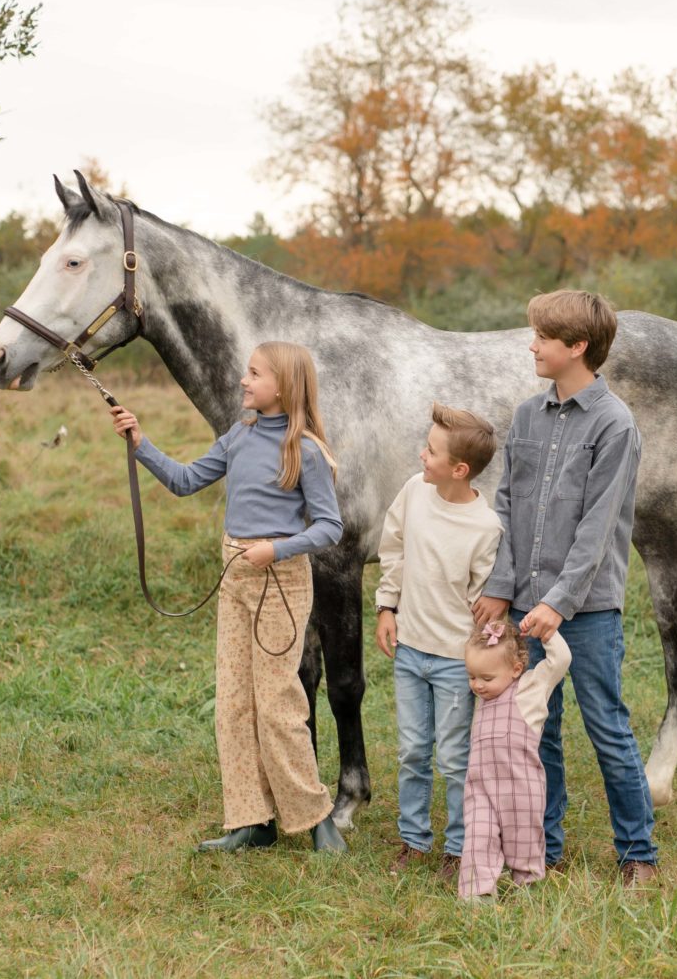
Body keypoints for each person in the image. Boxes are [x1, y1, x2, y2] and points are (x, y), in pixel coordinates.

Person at [109, 340, 346, 853]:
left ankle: (316, 817)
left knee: (278, 705)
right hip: (235, 575)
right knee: (234, 703)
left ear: (283, 386)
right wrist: (140, 443)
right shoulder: (239, 436)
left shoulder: (305, 450)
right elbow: (185, 481)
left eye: (255, 374)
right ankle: (251, 820)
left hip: (280, 581)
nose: (244, 380)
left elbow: (330, 527)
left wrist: (277, 549)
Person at [471, 289, 659, 887]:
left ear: (577, 346)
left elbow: (598, 528)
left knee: (607, 727)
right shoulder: (527, 417)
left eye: (542, 338)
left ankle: (638, 854)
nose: (531, 346)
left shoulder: (614, 424)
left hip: (588, 609)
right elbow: (505, 504)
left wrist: (560, 601)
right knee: (536, 730)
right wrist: (503, 586)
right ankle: (542, 846)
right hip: (526, 602)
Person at [374, 403, 503, 879]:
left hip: (453, 661)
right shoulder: (414, 491)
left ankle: (459, 847)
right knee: (411, 751)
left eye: (430, 451)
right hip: (409, 650)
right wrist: (386, 606)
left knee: (453, 757)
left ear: (459, 469)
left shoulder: (485, 528)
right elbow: (393, 548)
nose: (421, 456)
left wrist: (480, 655)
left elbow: (483, 603)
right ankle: (413, 840)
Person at [458, 618, 570, 899]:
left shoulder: (529, 690)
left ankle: (527, 887)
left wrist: (547, 634)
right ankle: (477, 894)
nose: (478, 686)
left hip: (520, 789)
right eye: (472, 677)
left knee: (524, 843)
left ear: (516, 670)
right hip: (480, 788)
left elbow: (560, 660)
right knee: (477, 838)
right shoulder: (483, 697)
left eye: (486, 678)